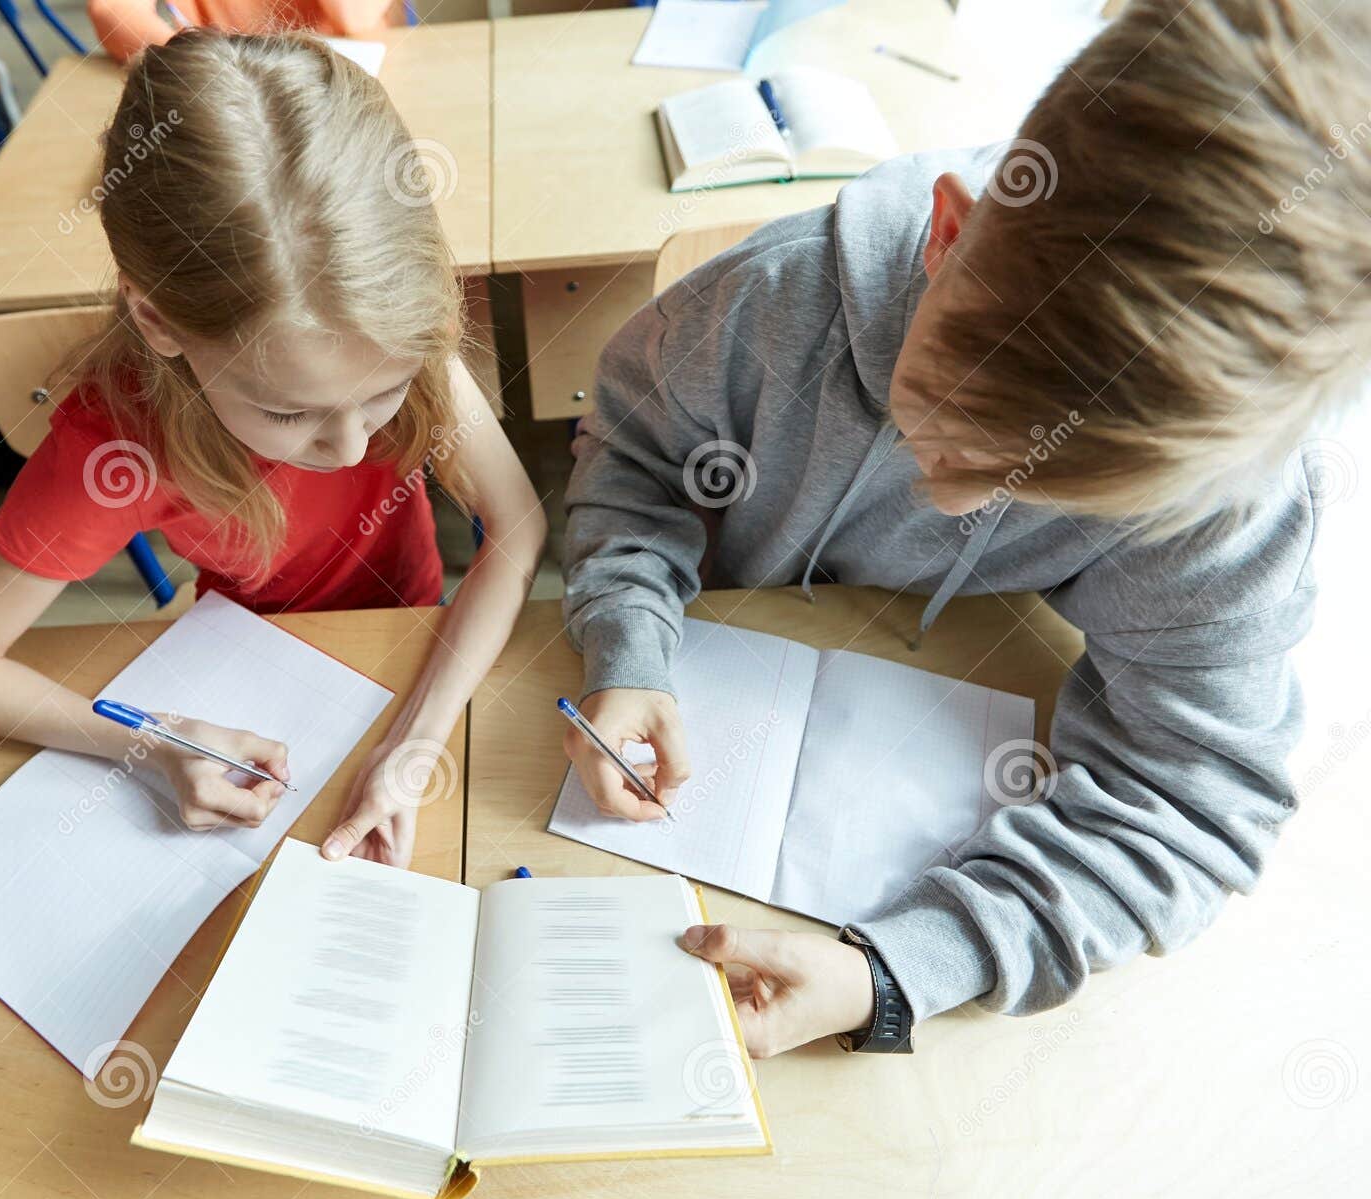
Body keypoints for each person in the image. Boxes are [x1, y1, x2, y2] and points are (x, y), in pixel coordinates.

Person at [560, 0, 1369, 1056]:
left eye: (1051, 489)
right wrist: (627, 635)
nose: (954, 503)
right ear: (946, 234)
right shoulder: (767, 305)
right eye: (945, 428)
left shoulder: (1226, 493)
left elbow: (1189, 800)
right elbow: (633, 457)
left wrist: (900, 969)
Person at [0, 31, 546, 868]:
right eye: (288, 412)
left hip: (409, 628)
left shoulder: (375, 315)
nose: (351, 447)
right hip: (245, 674)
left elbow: (517, 524)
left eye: (382, 394)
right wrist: (153, 741)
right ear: (158, 321)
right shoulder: (118, 444)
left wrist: (416, 740)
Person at [87, 0, 397, 65]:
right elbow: (110, 11)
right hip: (218, 80)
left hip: (348, 71)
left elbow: (354, 16)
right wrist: (209, 61)